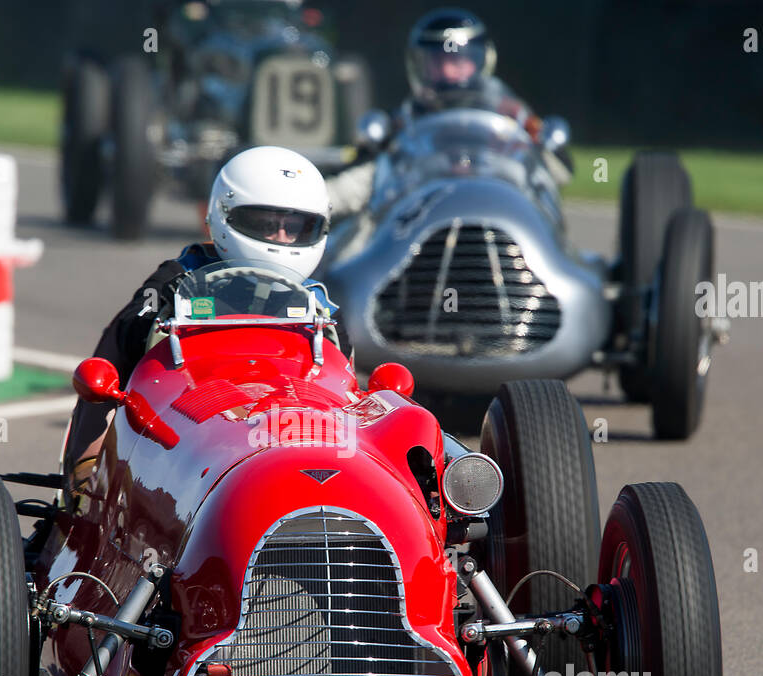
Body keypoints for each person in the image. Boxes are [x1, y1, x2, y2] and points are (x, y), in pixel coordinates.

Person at [63, 145, 348, 484]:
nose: (281, 237)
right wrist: (87, 468)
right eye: (266, 222)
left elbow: (341, 393)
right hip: (190, 435)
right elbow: (110, 365)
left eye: (296, 226)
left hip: (288, 435)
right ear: (225, 214)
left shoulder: (322, 307)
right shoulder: (172, 283)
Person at [327, 7, 571, 220]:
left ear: (480, 60)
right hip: (417, 212)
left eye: (457, 61)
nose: (447, 71)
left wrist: (539, 143)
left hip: (499, 206)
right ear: (419, 64)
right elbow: (362, 177)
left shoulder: (511, 113)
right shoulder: (406, 118)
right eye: (437, 62)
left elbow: (557, 172)